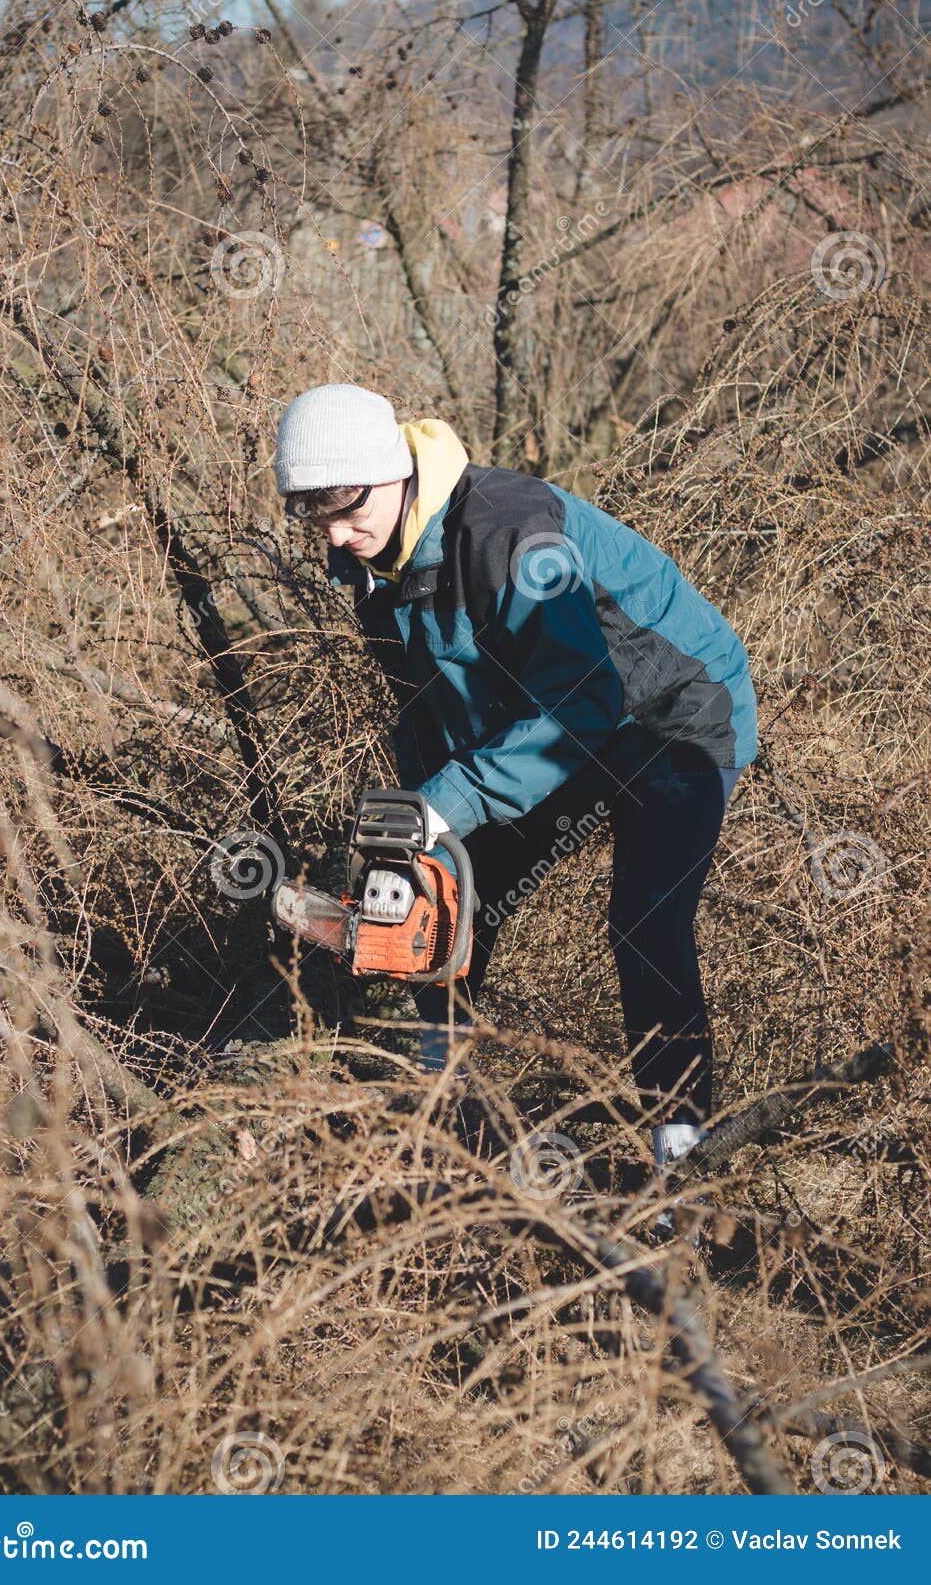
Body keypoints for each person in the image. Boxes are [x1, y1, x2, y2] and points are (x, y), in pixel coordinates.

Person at [273, 382, 757, 1175]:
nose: (335, 532)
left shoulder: (510, 535)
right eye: (313, 516)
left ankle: (681, 1156)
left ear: (393, 472)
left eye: (346, 506)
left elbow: (585, 703)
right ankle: (433, 1105)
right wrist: (420, 833)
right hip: (555, 726)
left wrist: (447, 806)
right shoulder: (371, 555)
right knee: (450, 899)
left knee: (644, 923)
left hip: (669, 717)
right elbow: (429, 709)